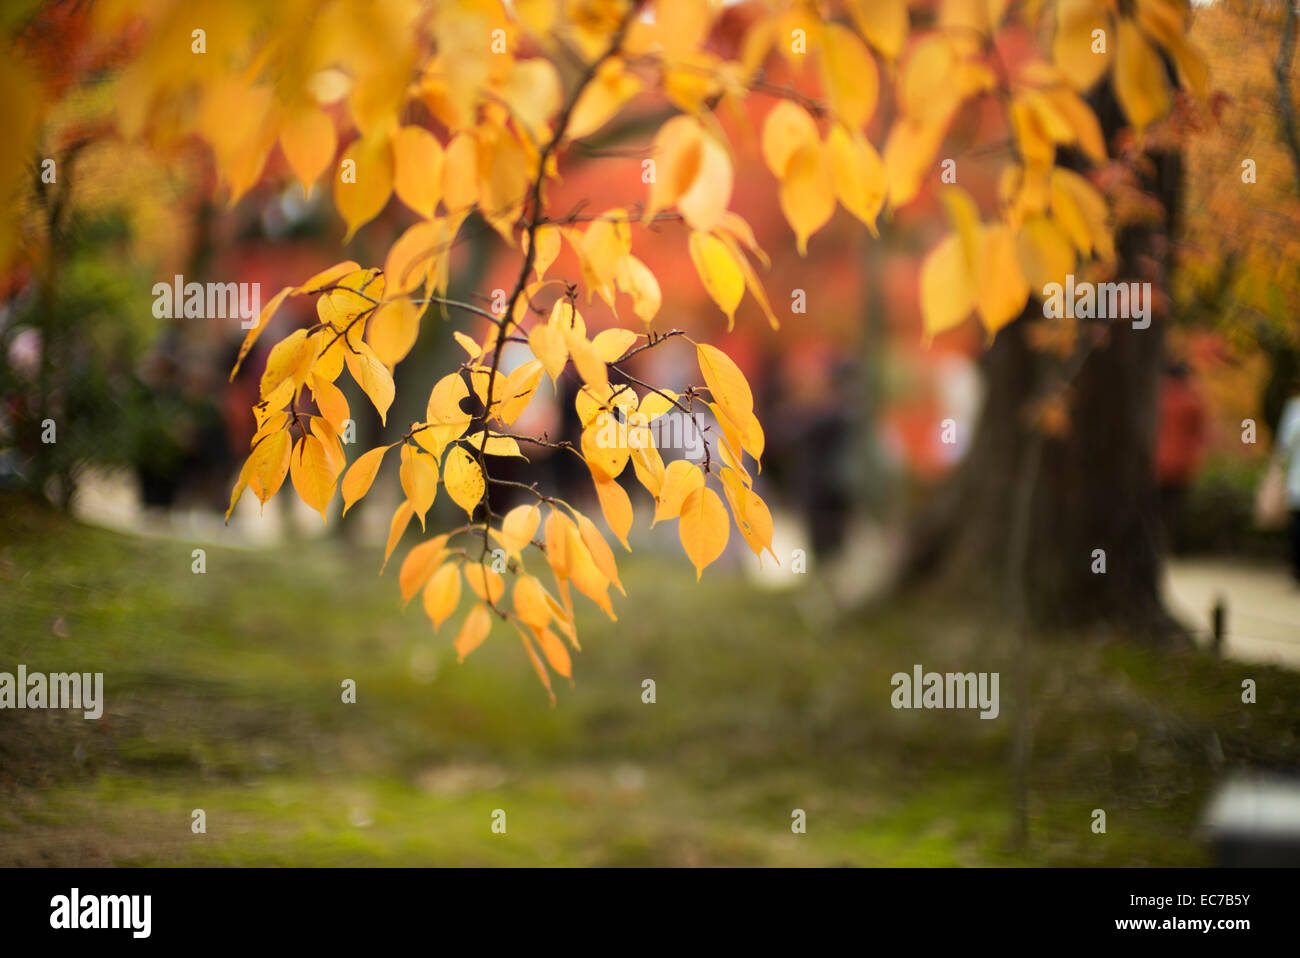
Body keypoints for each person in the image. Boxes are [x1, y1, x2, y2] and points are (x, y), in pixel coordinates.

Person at [1155, 360, 1208, 554]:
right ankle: (1168, 544)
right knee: (1173, 508)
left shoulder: (1157, 398)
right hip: (1181, 465)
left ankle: (1154, 543)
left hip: (1154, 463)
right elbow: (1199, 435)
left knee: (1153, 508)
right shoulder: (1193, 400)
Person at [1275, 387, 1300, 583]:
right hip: (1296, 481)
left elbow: (1283, 446)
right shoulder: (1294, 409)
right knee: (1296, 527)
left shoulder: (1294, 410)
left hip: (1295, 480)